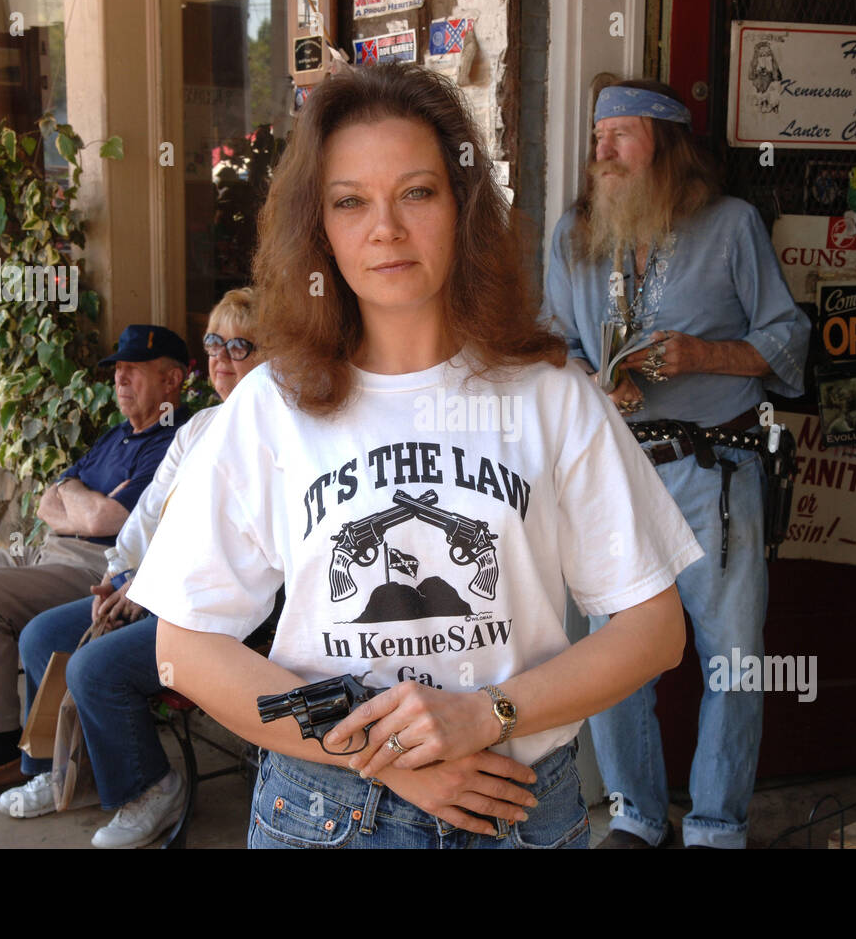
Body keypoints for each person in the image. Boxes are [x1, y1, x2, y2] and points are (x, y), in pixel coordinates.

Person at [127, 63, 704, 850]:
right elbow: (184, 649)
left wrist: (486, 712)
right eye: (350, 201)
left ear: (462, 207)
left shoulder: (551, 395)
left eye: (417, 192)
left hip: (517, 803)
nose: (385, 229)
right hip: (326, 811)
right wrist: (381, 754)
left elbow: (654, 627)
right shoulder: (272, 407)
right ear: (319, 227)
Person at [544, 79, 810, 849]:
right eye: (598, 138)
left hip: (714, 471)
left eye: (620, 135)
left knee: (733, 657)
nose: (603, 152)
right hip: (618, 477)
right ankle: (633, 812)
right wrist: (596, 384)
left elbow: (787, 338)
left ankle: (719, 825)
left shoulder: (731, 227)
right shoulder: (573, 236)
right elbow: (553, 345)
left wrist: (703, 354)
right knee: (614, 654)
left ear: (665, 144)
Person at [0, 291, 265, 848]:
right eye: (214, 342)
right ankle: (68, 768)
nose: (221, 357)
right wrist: (120, 574)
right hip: (157, 591)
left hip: (229, 615)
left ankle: (151, 788)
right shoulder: (197, 428)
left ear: (272, 357)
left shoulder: (275, 435)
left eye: (240, 346)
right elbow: (146, 518)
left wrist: (148, 589)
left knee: (96, 668)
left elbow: (233, 549)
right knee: (43, 635)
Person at [0, 325, 191, 802]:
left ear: (172, 380)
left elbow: (107, 519)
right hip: (42, 550)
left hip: (92, 564)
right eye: (117, 370)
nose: (120, 379)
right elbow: (47, 502)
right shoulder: (117, 437)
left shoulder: (171, 440)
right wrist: (79, 500)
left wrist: (75, 500)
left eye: (133, 370)